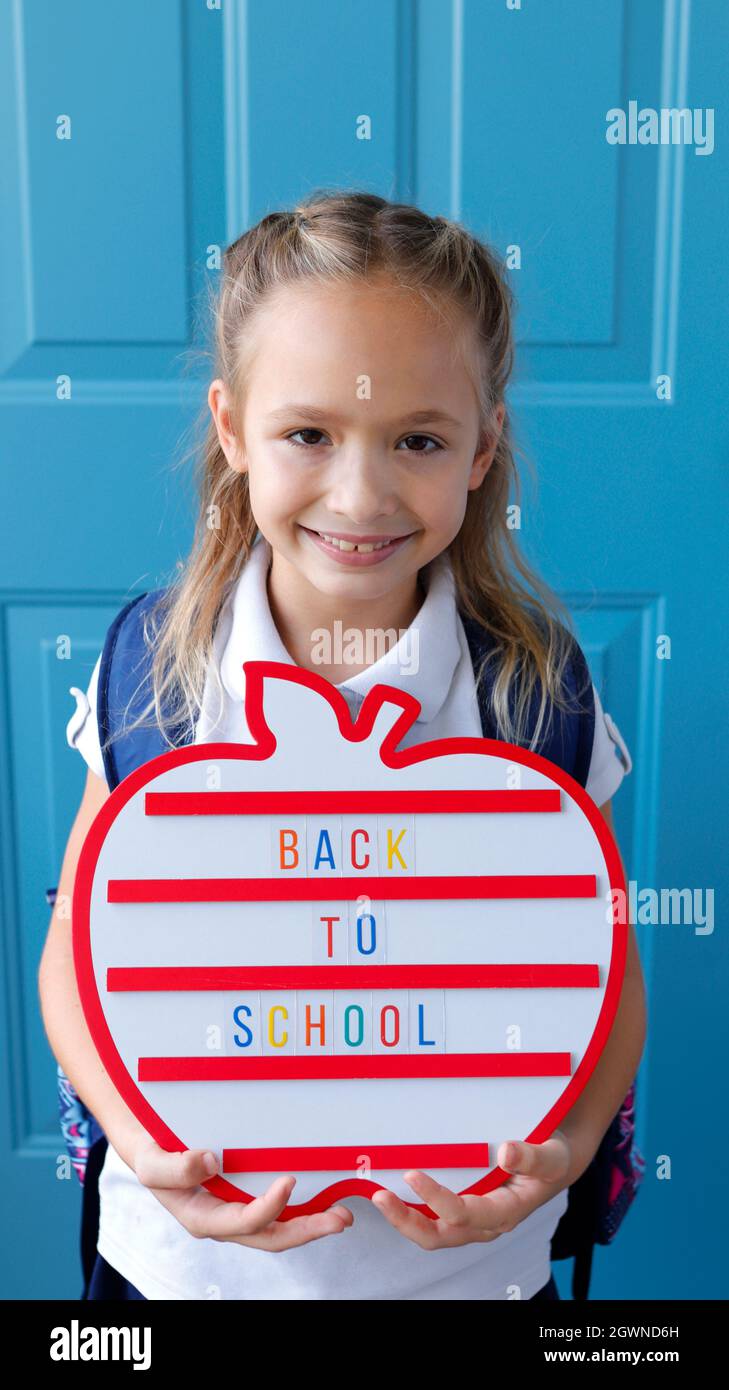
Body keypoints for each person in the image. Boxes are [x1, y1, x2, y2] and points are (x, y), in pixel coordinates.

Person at [40, 190, 645, 1301]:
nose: (361, 494)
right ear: (231, 429)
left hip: (469, 1275)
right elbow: (76, 957)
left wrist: (563, 1150)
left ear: (482, 447)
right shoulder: (155, 681)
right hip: (187, 1274)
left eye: (418, 439)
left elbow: (606, 969)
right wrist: (144, 1142)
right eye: (308, 433)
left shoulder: (530, 692)